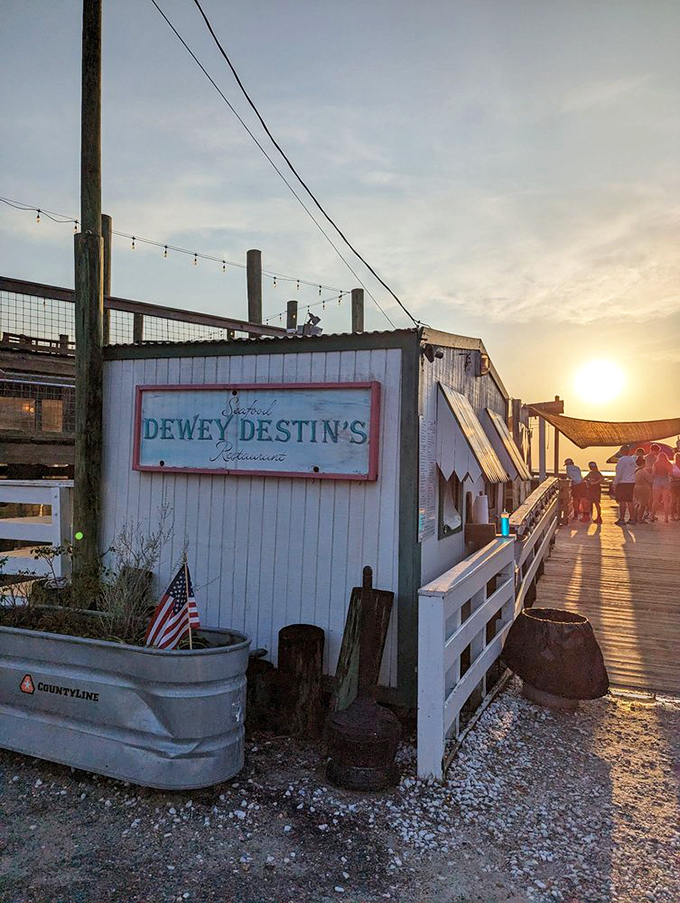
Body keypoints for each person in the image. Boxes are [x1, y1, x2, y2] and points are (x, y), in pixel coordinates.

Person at [612, 449, 637, 525]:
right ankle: (632, 518)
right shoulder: (632, 460)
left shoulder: (621, 460)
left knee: (622, 501)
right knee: (630, 501)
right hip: (631, 482)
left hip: (623, 482)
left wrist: (615, 483)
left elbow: (619, 472)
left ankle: (622, 518)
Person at [651, 451, 672, 523]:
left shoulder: (656, 464)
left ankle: (652, 516)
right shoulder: (668, 464)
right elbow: (671, 473)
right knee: (666, 500)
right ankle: (666, 518)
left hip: (657, 480)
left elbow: (653, 474)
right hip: (666, 480)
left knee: (655, 500)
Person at [633, 455, 653, 523]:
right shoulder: (643, 472)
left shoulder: (635, 471)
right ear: (643, 464)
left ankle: (635, 517)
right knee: (643, 504)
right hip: (644, 488)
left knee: (637, 503)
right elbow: (650, 480)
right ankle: (640, 518)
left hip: (636, 487)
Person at [671, 452, 680, 521]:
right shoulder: (672, 465)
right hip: (673, 484)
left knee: (678, 501)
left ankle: (678, 515)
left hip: (677, 483)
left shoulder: (673, 466)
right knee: (673, 500)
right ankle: (672, 515)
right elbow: (669, 474)